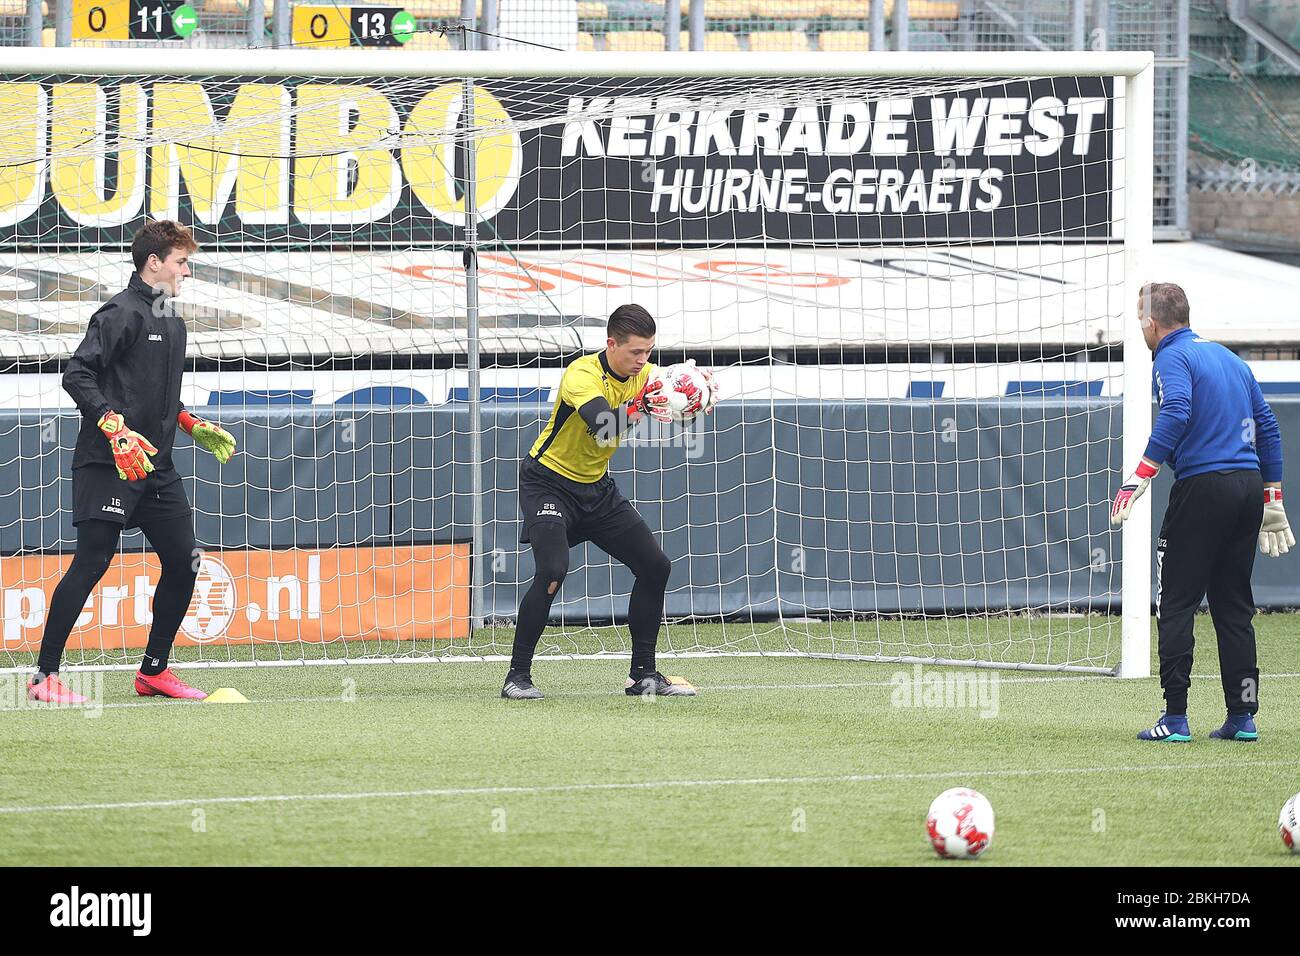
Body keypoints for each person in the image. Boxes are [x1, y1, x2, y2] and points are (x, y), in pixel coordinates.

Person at [27, 220, 238, 704]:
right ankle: (43, 679)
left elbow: (154, 397)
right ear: (155, 263)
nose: (187, 272)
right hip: (109, 463)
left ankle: (153, 672)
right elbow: (77, 374)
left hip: (155, 466)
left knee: (185, 561)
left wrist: (188, 423)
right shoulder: (120, 313)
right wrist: (112, 427)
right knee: (92, 562)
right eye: (182, 262)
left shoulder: (174, 321)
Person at [502, 304, 718, 700]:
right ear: (611, 344)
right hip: (548, 484)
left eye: (649, 352)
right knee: (552, 570)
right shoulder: (581, 374)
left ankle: (643, 676)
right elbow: (604, 427)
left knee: (655, 566)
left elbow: (672, 393)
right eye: (635, 352)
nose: (643, 361)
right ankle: (517, 676)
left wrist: (697, 394)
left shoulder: (647, 374)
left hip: (597, 491)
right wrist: (641, 406)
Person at [1111, 282, 1292, 742]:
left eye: (1140, 321)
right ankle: (1243, 715)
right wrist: (1272, 496)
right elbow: (1267, 426)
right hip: (1248, 488)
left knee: (1176, 602)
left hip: (1203, 489)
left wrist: (1140, 475)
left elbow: (1176, 412)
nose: (1142, 330)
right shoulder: (1229, 358)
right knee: (1234, 606)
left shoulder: (1171, 358)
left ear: (1152, 322)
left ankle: (1174, 718)